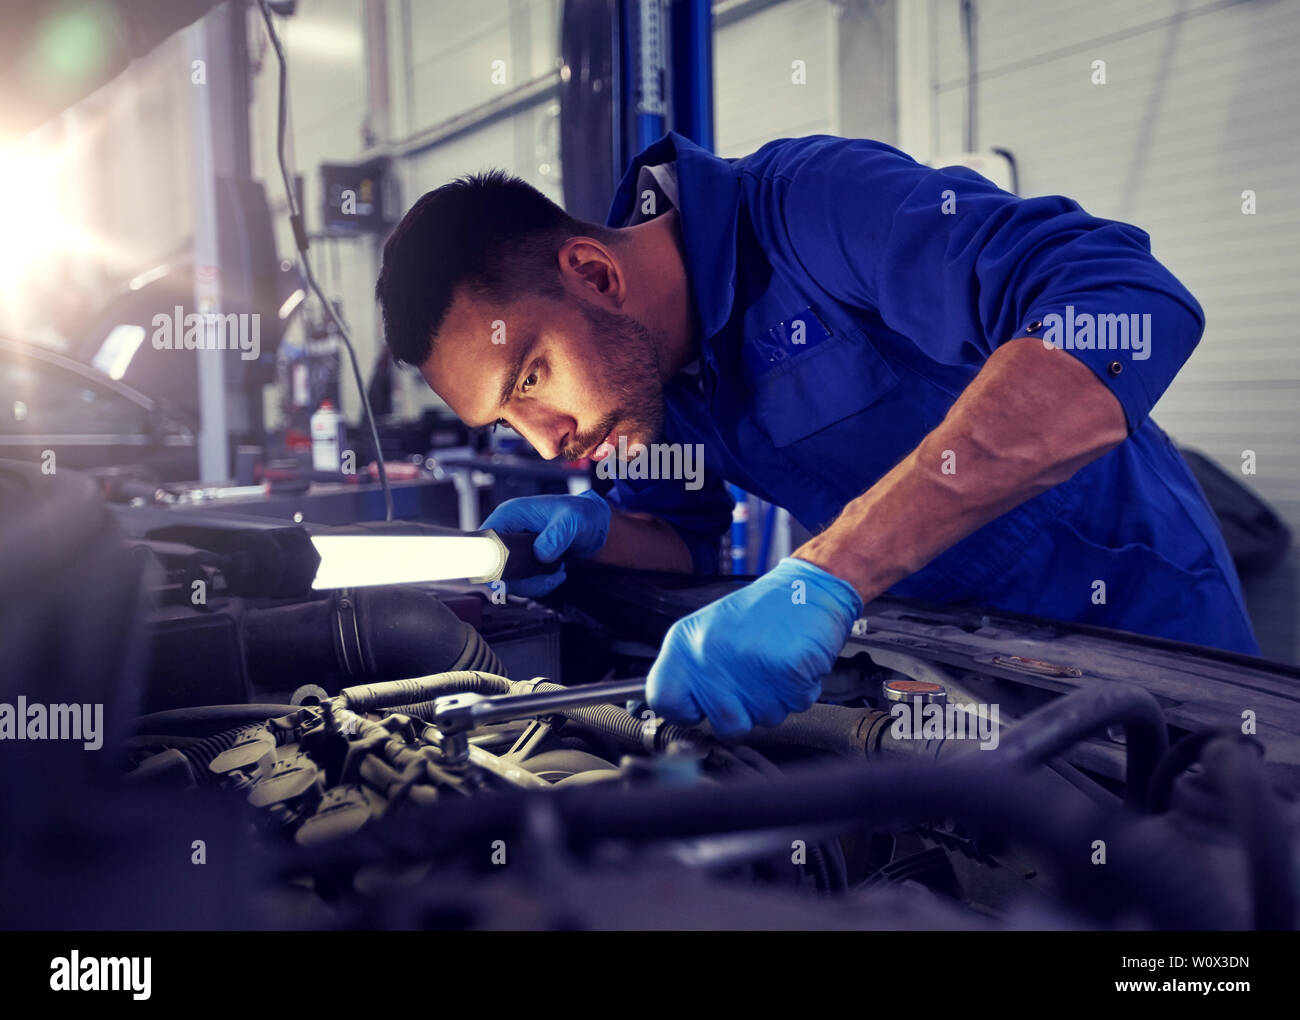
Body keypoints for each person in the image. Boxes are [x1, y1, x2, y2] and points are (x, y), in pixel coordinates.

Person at [374, 132, 1259, 736]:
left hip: (1148, 639)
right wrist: (600, 534)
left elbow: (1126, 306)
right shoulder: (637, 386)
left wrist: (830, 574)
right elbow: (683, 540)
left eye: (530, 378)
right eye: (506, 418)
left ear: (594, 273)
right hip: (946, 675)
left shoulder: (815, 209)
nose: (544, 440)